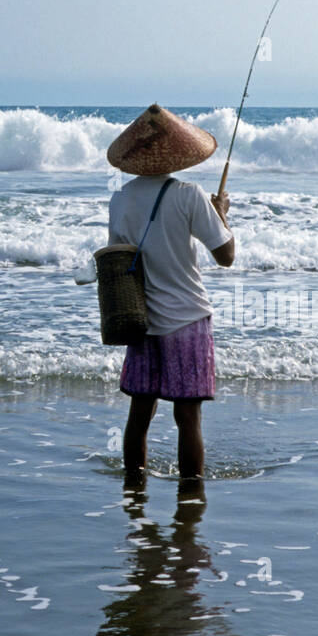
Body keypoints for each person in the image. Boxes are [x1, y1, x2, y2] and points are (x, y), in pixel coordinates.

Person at [105, 104, 235, 488]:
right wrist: (222, 213)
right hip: (187, 320)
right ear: (177, 153)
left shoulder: (120, 200)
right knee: (188, 419)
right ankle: (190, 500)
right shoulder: (189, 195)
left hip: (141, 319)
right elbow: (226, 256)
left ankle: (134, 493)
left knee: (139, 414)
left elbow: (120, 257)